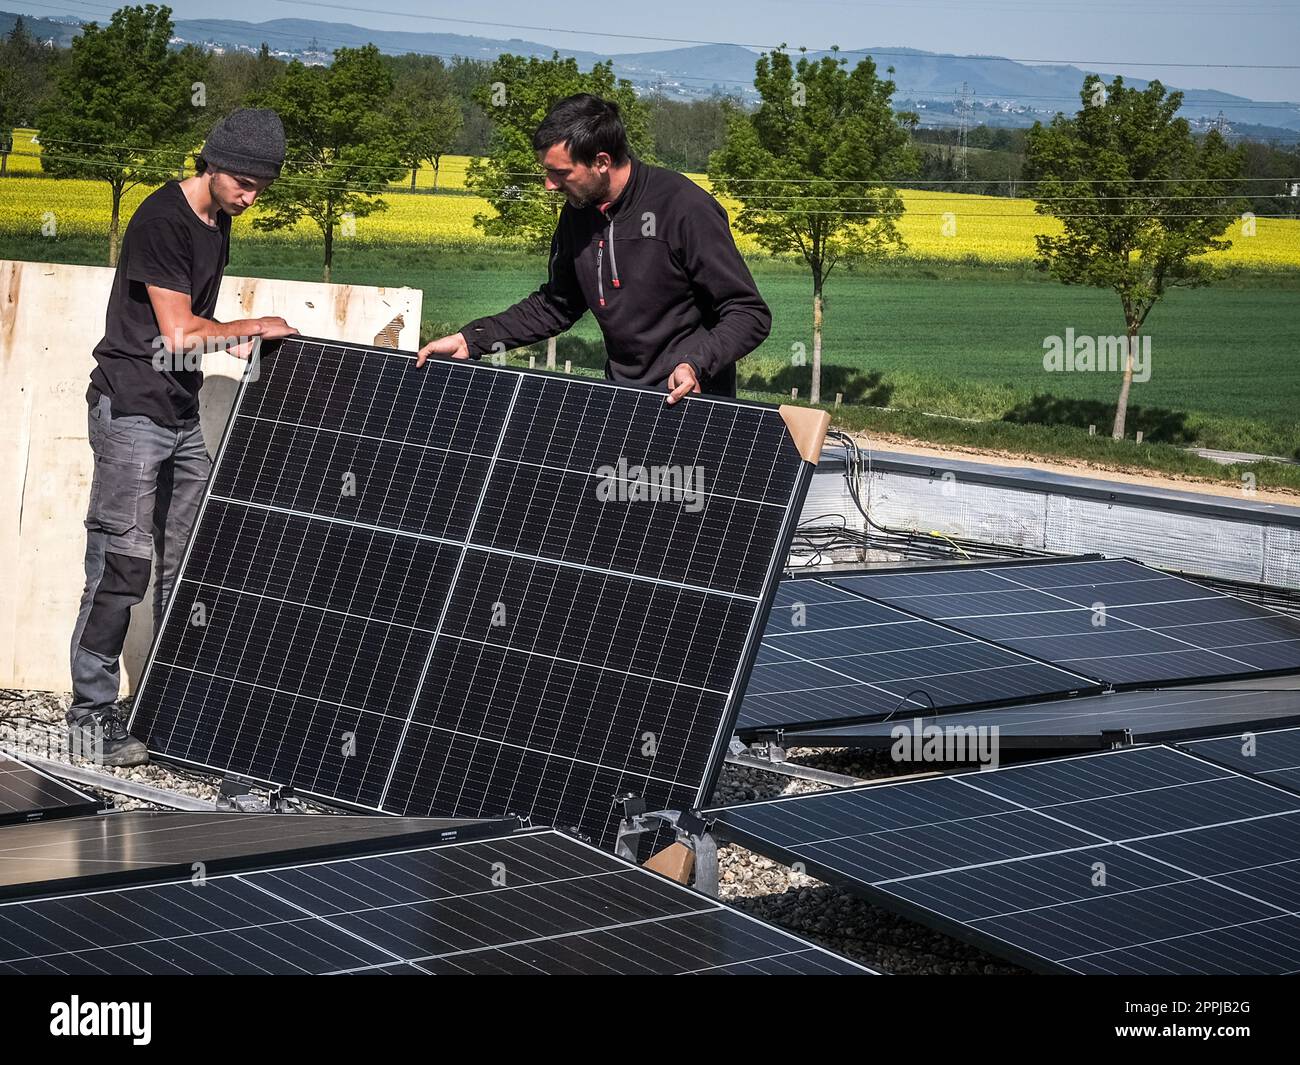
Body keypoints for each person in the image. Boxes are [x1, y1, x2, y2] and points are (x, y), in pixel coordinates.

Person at [69, 108, 299, 766]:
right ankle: (90, 716)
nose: (252, 198)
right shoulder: (161, 219)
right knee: (122, 563)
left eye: (262, 188)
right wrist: (255, 327)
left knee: (187, 561)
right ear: (214, 164)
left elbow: (195, 326)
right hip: (133, 406)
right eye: (246, 185)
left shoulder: (216, 223)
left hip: (178, 408)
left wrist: (235, 337)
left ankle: (169, 711)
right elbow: (175, 333)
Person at [418, 93, 771, 403]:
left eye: (561, 173)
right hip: (621, 397)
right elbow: (556, 305)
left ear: (601, 162)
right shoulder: (579, 213)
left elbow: (748, 313)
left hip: (691, 402)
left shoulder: (684, 208)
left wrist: (695, 363)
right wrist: (471, 339)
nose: (549, 186)